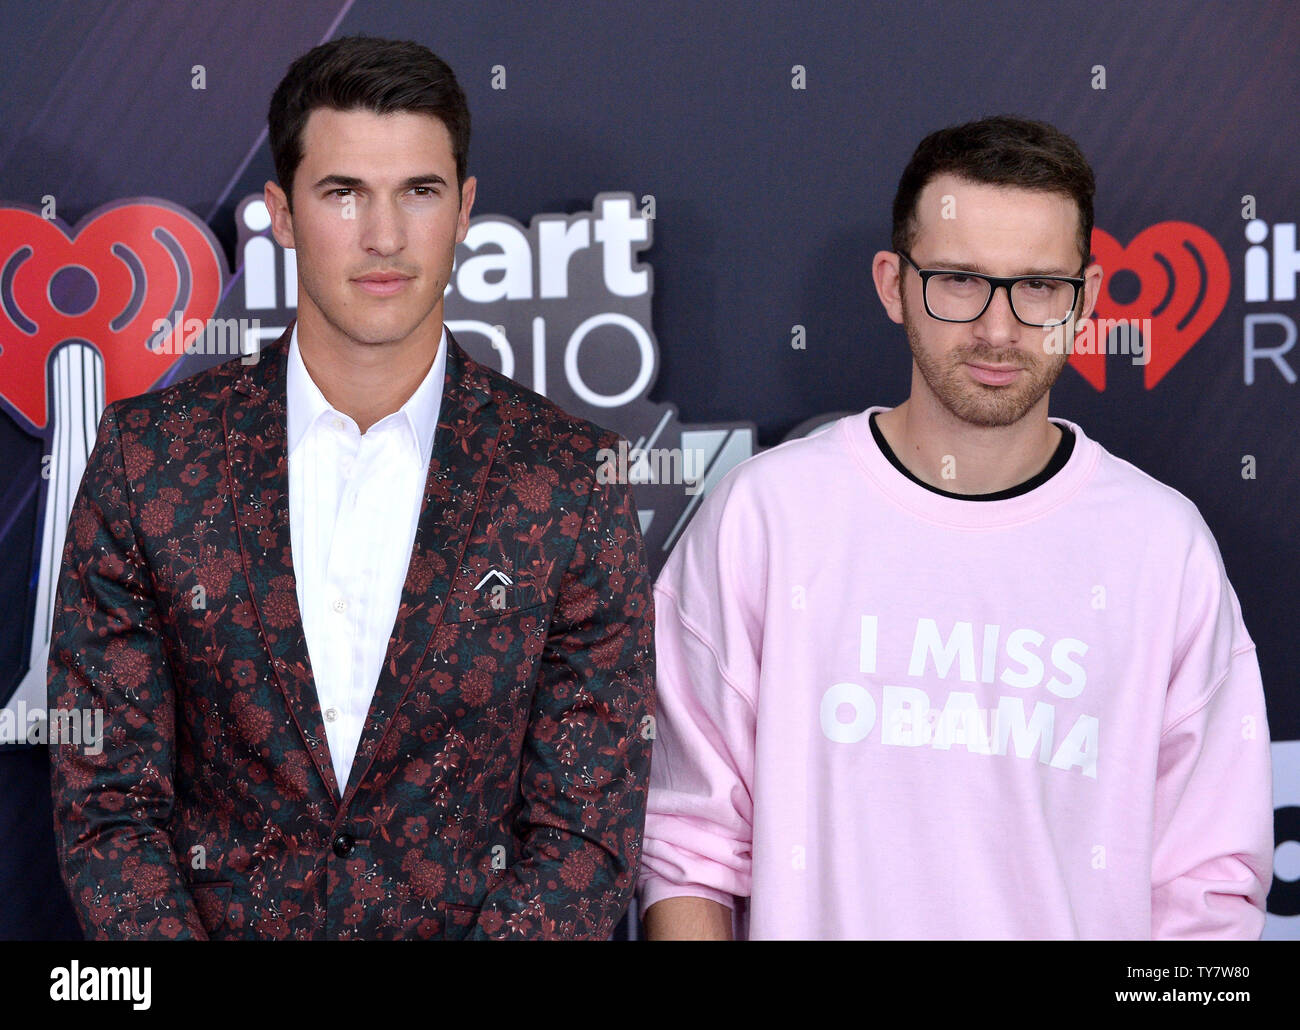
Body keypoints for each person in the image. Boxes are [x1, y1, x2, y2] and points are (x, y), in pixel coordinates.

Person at [48, 35, 654, 940]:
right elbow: (106, 803)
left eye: (420, 191)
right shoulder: (152, 462)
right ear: (281, 216)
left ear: (465, 210)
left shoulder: (568, 482)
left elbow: (582, 839)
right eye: (343, 193)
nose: (384, 237)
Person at [637, 115, 1272, 940]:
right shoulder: (764, 519)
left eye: (1038, 285)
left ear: (1085, 295)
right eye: (961, 281)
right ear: (892, 283)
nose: (1000, 329)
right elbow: (686, 844)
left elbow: (1209, 890)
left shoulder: (1163, 548)